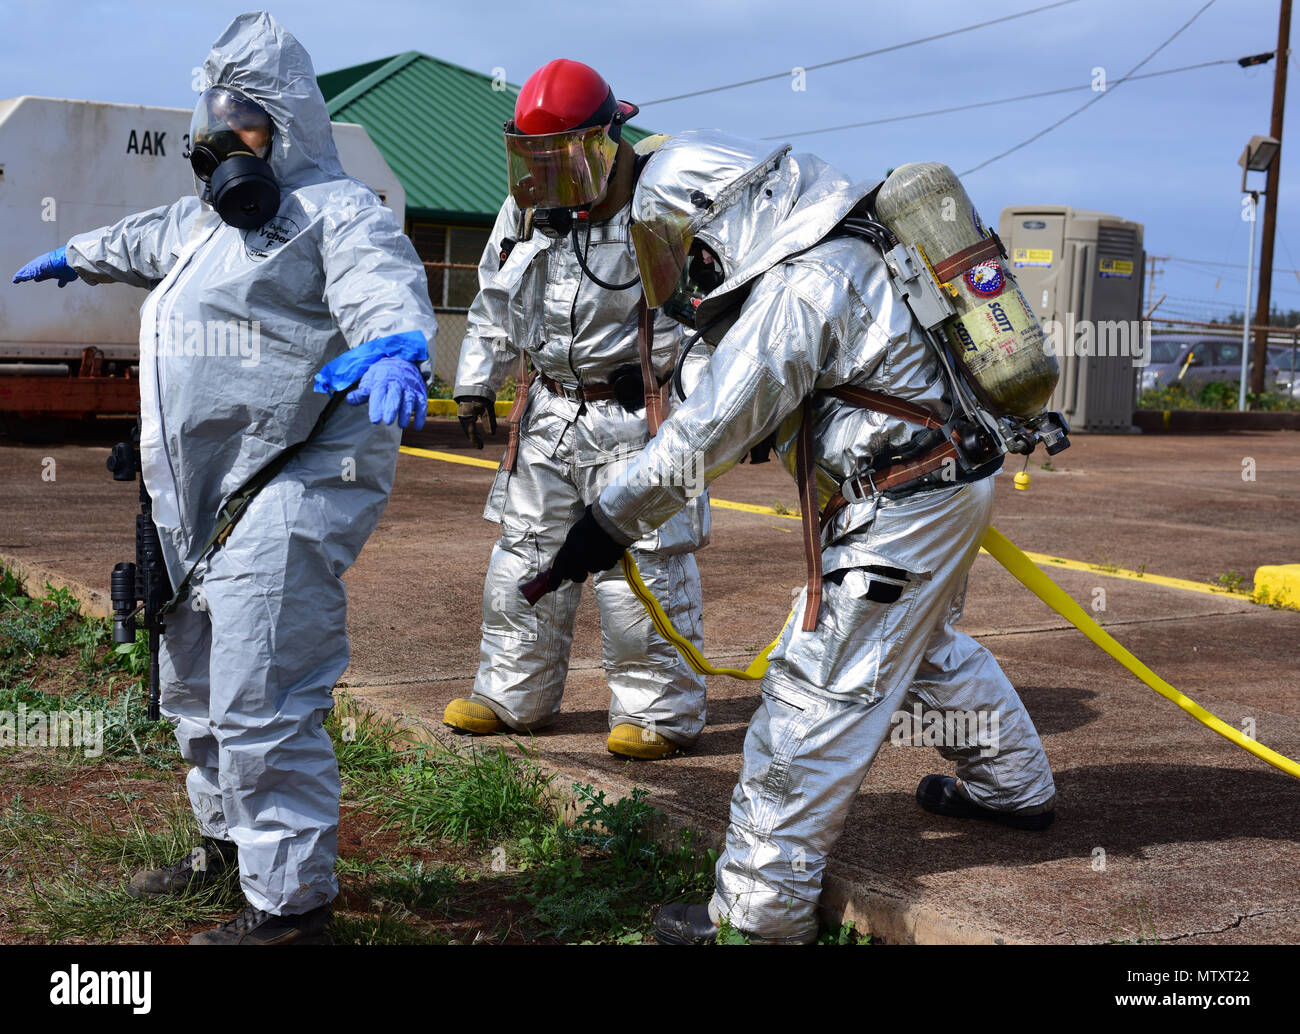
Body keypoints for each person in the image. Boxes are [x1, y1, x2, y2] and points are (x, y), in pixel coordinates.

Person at [547, 131, 1057, 944]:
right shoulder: (843, 253)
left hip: (900, 503)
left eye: (678, 249)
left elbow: (702, 436)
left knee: (808, 705)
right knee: (925, 646)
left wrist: (601, 527)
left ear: (722, 226)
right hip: (944, 483)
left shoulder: (803, 286)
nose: (678, 274)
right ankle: (1014, 787)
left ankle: (760, 915)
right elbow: (758, 383)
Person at [12, 12, 436, 944]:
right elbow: (141, 236)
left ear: (285, 119)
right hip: (201, 500)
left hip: (289, 486)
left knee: (262, 696)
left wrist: (394, 345)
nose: (219, 133)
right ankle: (228, 848)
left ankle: (292, 913)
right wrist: (74, 253)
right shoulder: (207, 224)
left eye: (242, 113)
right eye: (212, 111)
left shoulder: (336, 211)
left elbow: (380, 281)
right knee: (196, 687)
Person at [444, 59, 709, 760]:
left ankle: (655, 713)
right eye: (534, 156)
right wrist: (477, 382)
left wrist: (717, 415)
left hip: (641, 421)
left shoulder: (662, 207)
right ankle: (510, 696)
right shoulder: (529, 206)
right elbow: (496, 300)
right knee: (522, 560)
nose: (546, 172)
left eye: (560, 155)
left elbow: (711, 322)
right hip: (549, 413)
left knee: (640, 570)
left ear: (604, 140)